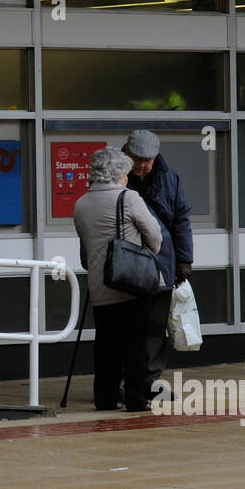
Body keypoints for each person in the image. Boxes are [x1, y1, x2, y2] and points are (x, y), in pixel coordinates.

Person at [73, 146, 162, 412]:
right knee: (135, 343)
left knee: (106, 344)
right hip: (131, 283)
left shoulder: (80, 204)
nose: (127, 178)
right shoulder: (129, 197)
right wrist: (146, 255)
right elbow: (155, 235)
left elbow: (86, 244)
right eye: (124, 173)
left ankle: (106, 398)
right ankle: (136, 399)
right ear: (117, 174)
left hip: (100, 285)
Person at [122, 129, 194, 399]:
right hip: (125, 263)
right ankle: (124, 381)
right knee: (125, 324)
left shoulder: (168, 177)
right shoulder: (112, 174)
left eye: (148, 159)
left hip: (162, 263)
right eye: (138, 158)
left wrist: (185, 259)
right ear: (127, 152)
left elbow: (181, 218)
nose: (142, 165)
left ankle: (150, 380)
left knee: (154, 324)